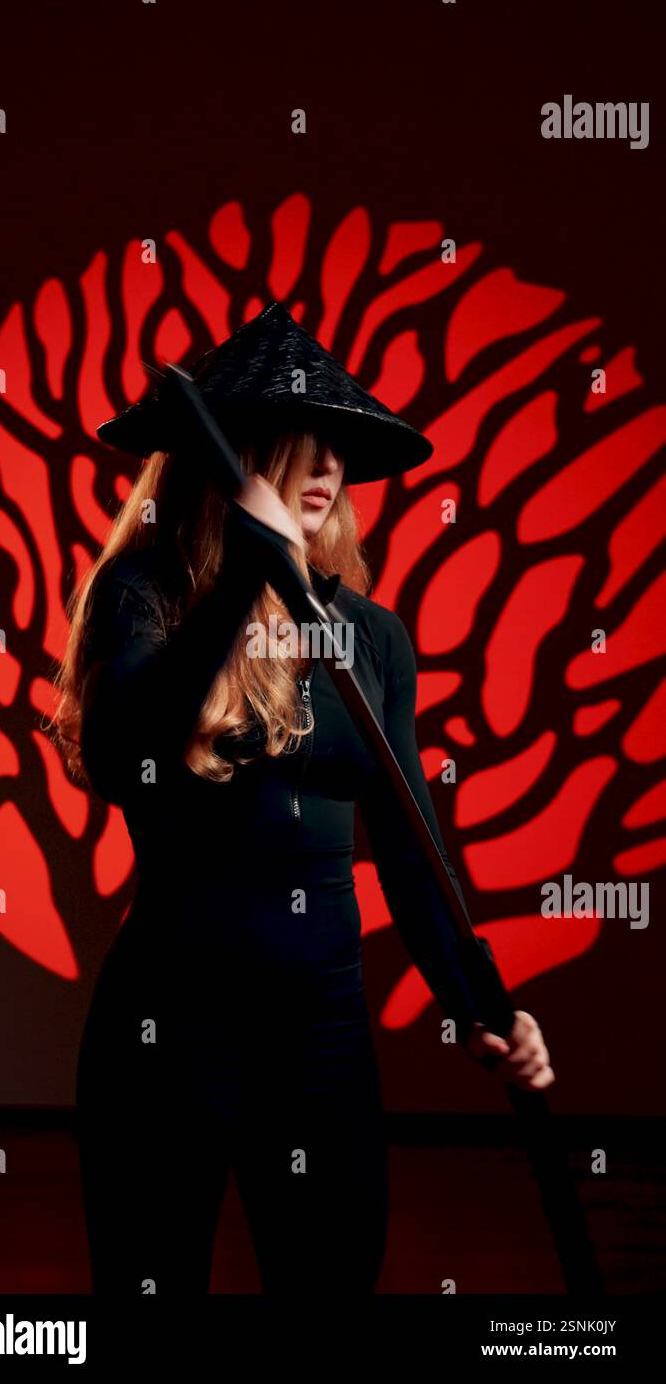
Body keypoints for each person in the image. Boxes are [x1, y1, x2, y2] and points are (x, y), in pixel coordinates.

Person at [50, 303, 553, 1296]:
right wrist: (246, 577)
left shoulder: (367, 635)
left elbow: (411, 847)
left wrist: (480, 1002)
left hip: (319, 1040)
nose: (326, 467)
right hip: (166, 1036)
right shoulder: (144, 596)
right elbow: (124, 753)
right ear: (234, 458)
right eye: (298, 443)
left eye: (340, 449)